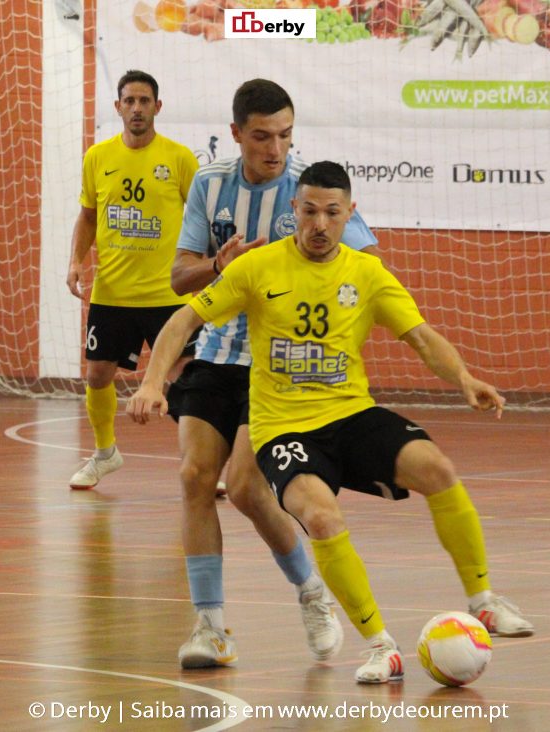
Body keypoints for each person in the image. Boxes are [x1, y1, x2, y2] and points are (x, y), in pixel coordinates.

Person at [128, 161, 534, 685]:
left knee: (437, 467)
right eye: (310, 211)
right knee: (320, 518)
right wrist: (152, 384)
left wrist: (464, 379)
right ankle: (380, 646)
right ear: (294, 211)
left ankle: (483, 599)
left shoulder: (367, 275)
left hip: (350, 412)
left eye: (332, 213)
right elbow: (184, 318)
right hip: (283, 430)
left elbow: (421, 336)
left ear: (350, 215)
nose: (320, 224)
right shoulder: (257, 268)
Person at [152, 79, 381, 670]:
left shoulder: (310, 193)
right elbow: (180, 279)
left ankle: (310, 591)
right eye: (261, 137)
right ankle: (211, 628)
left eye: (284, 135)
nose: (274, 149)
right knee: (195, 477)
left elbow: (365, 269)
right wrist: (216, 266)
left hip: (281, 368)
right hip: (217, 353)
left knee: (249, 487)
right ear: (236, 135)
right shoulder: (210, 186)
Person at [66, 70, 198, 489]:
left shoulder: (179, 159)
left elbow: (200, 220)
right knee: (97, 376)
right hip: (113, 294)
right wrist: (75, 262)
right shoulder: (98, 157)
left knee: (187, 378)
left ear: (158, 107)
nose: (137, 108)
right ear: (118, 107)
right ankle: (105, 454)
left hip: (168, 294)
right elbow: (88, 216)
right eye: (129, 100)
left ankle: (200, 465)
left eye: (145, 101)